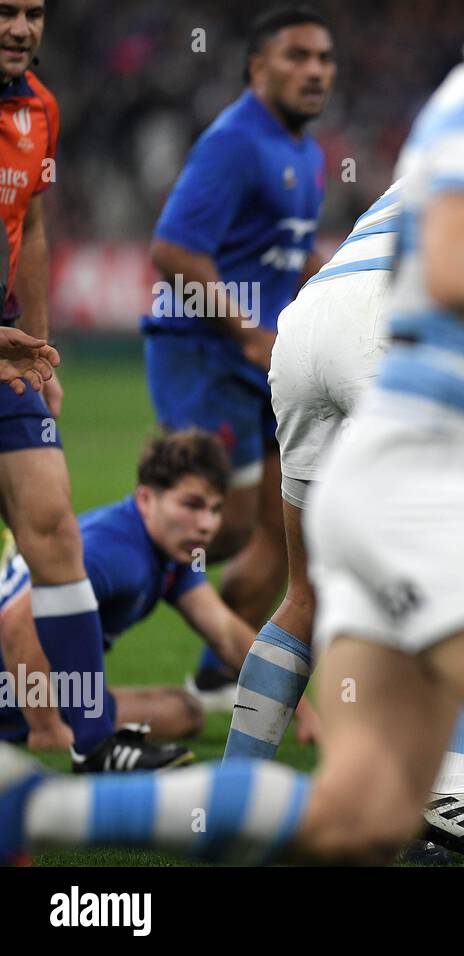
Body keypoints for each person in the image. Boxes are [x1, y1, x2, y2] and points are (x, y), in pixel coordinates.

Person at [0, 0, 464, 868]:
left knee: (360, 805)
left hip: (381, 435)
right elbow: (462, 272)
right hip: (426, 448)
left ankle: (45, 810)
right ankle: (448, 794)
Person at [142, 6, 335, 657]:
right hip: (205, 354)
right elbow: (172, 251)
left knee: (289, 530)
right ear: (258, 67)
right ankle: (73, 571)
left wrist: (343, 279)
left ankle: (218, 675)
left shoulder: (306, 153)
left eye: (324, 59)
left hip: (262, 362)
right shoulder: (234, 141)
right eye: (297, 57)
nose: (315, 71)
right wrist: (249, 332)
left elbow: (286, 252)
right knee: (222, 530)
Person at [0, 0, 122, 769]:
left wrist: (39, 353)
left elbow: (35, 225)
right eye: (4, 12)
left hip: (9, 358)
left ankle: (94, 741)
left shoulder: (38, 108)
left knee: (56, 532)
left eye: (34, 12)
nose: (21, 28)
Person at [0, 431, 281, 763]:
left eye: (215, 509)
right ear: (146, 499)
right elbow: (16, 622)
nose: (206, 524)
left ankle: (52, 717)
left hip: (29, 689)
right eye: (191, 504)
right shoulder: (120, 555)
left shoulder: (170, 549)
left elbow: (225, 633)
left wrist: (300, 709)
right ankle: (43, 721)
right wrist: (46, 728)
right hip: (18, 690)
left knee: (185, 711)